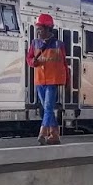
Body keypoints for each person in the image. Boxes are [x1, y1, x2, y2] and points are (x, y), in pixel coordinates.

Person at [26, 13, 68, 144]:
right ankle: (54, 135)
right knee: (45, 108)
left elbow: (64, 63)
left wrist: (66, 79)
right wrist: (33, 62)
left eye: (41, 29)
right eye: (37, 29)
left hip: (52, 80)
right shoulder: (35, 43)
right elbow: (29, 58)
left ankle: (43, 133)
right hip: (40, 80)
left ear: (48, 28)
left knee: (48, 107)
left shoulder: (58, 44)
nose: (38, 32)